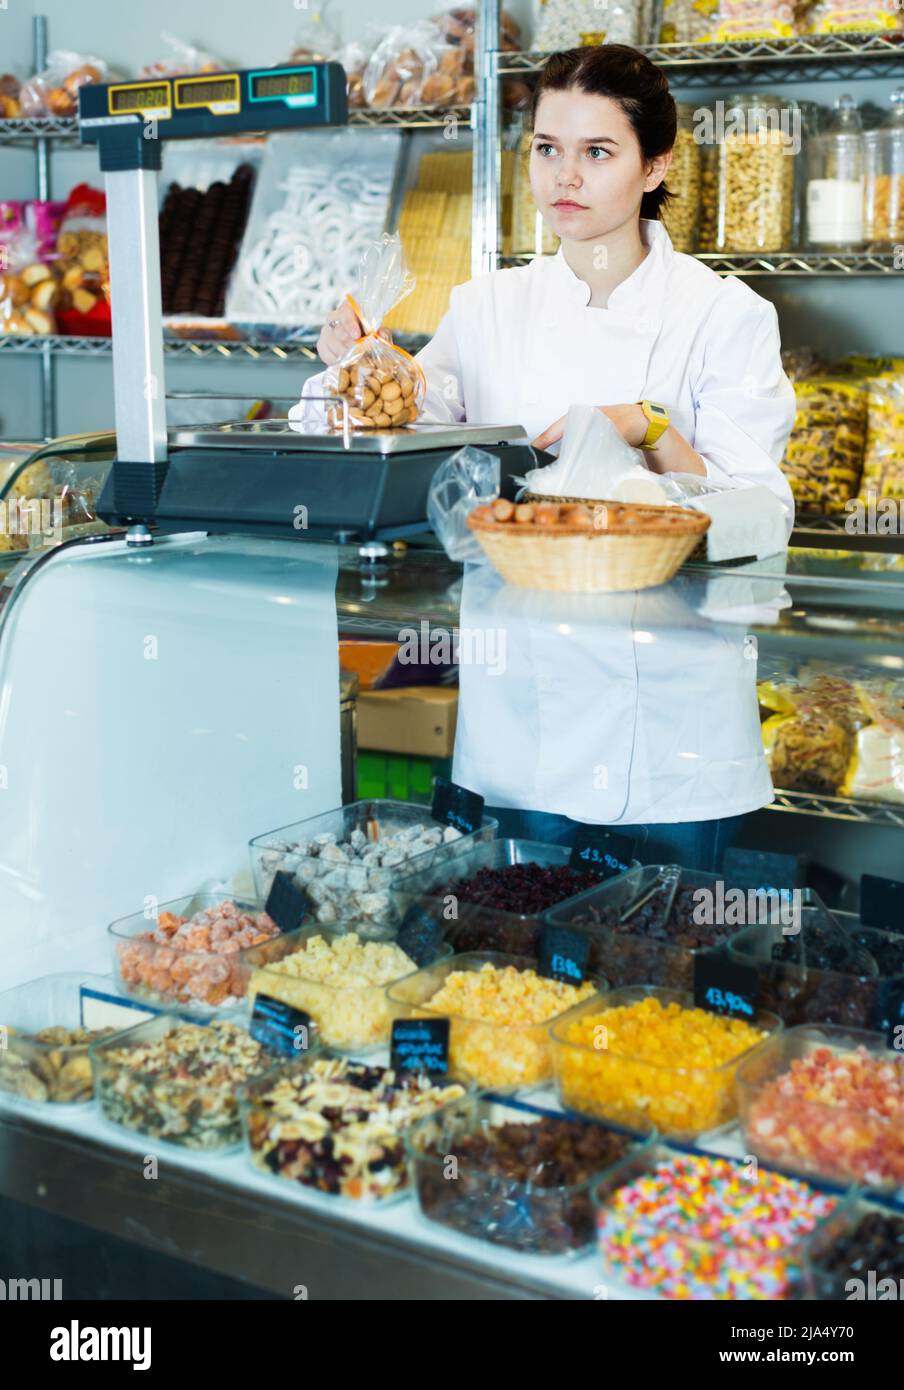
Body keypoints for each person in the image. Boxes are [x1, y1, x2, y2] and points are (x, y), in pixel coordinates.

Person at [299, 43, 797, 872]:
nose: (565, 176)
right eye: (546, 149)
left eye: (597, 152)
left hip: (671, 739)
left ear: (653, 167)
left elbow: (764, 517)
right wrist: (357, 366)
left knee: (662, 978)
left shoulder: (723, 315)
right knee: (516, 978)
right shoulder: (489, 305)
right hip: (520, 727)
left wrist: (649, 426)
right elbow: (394, 428)